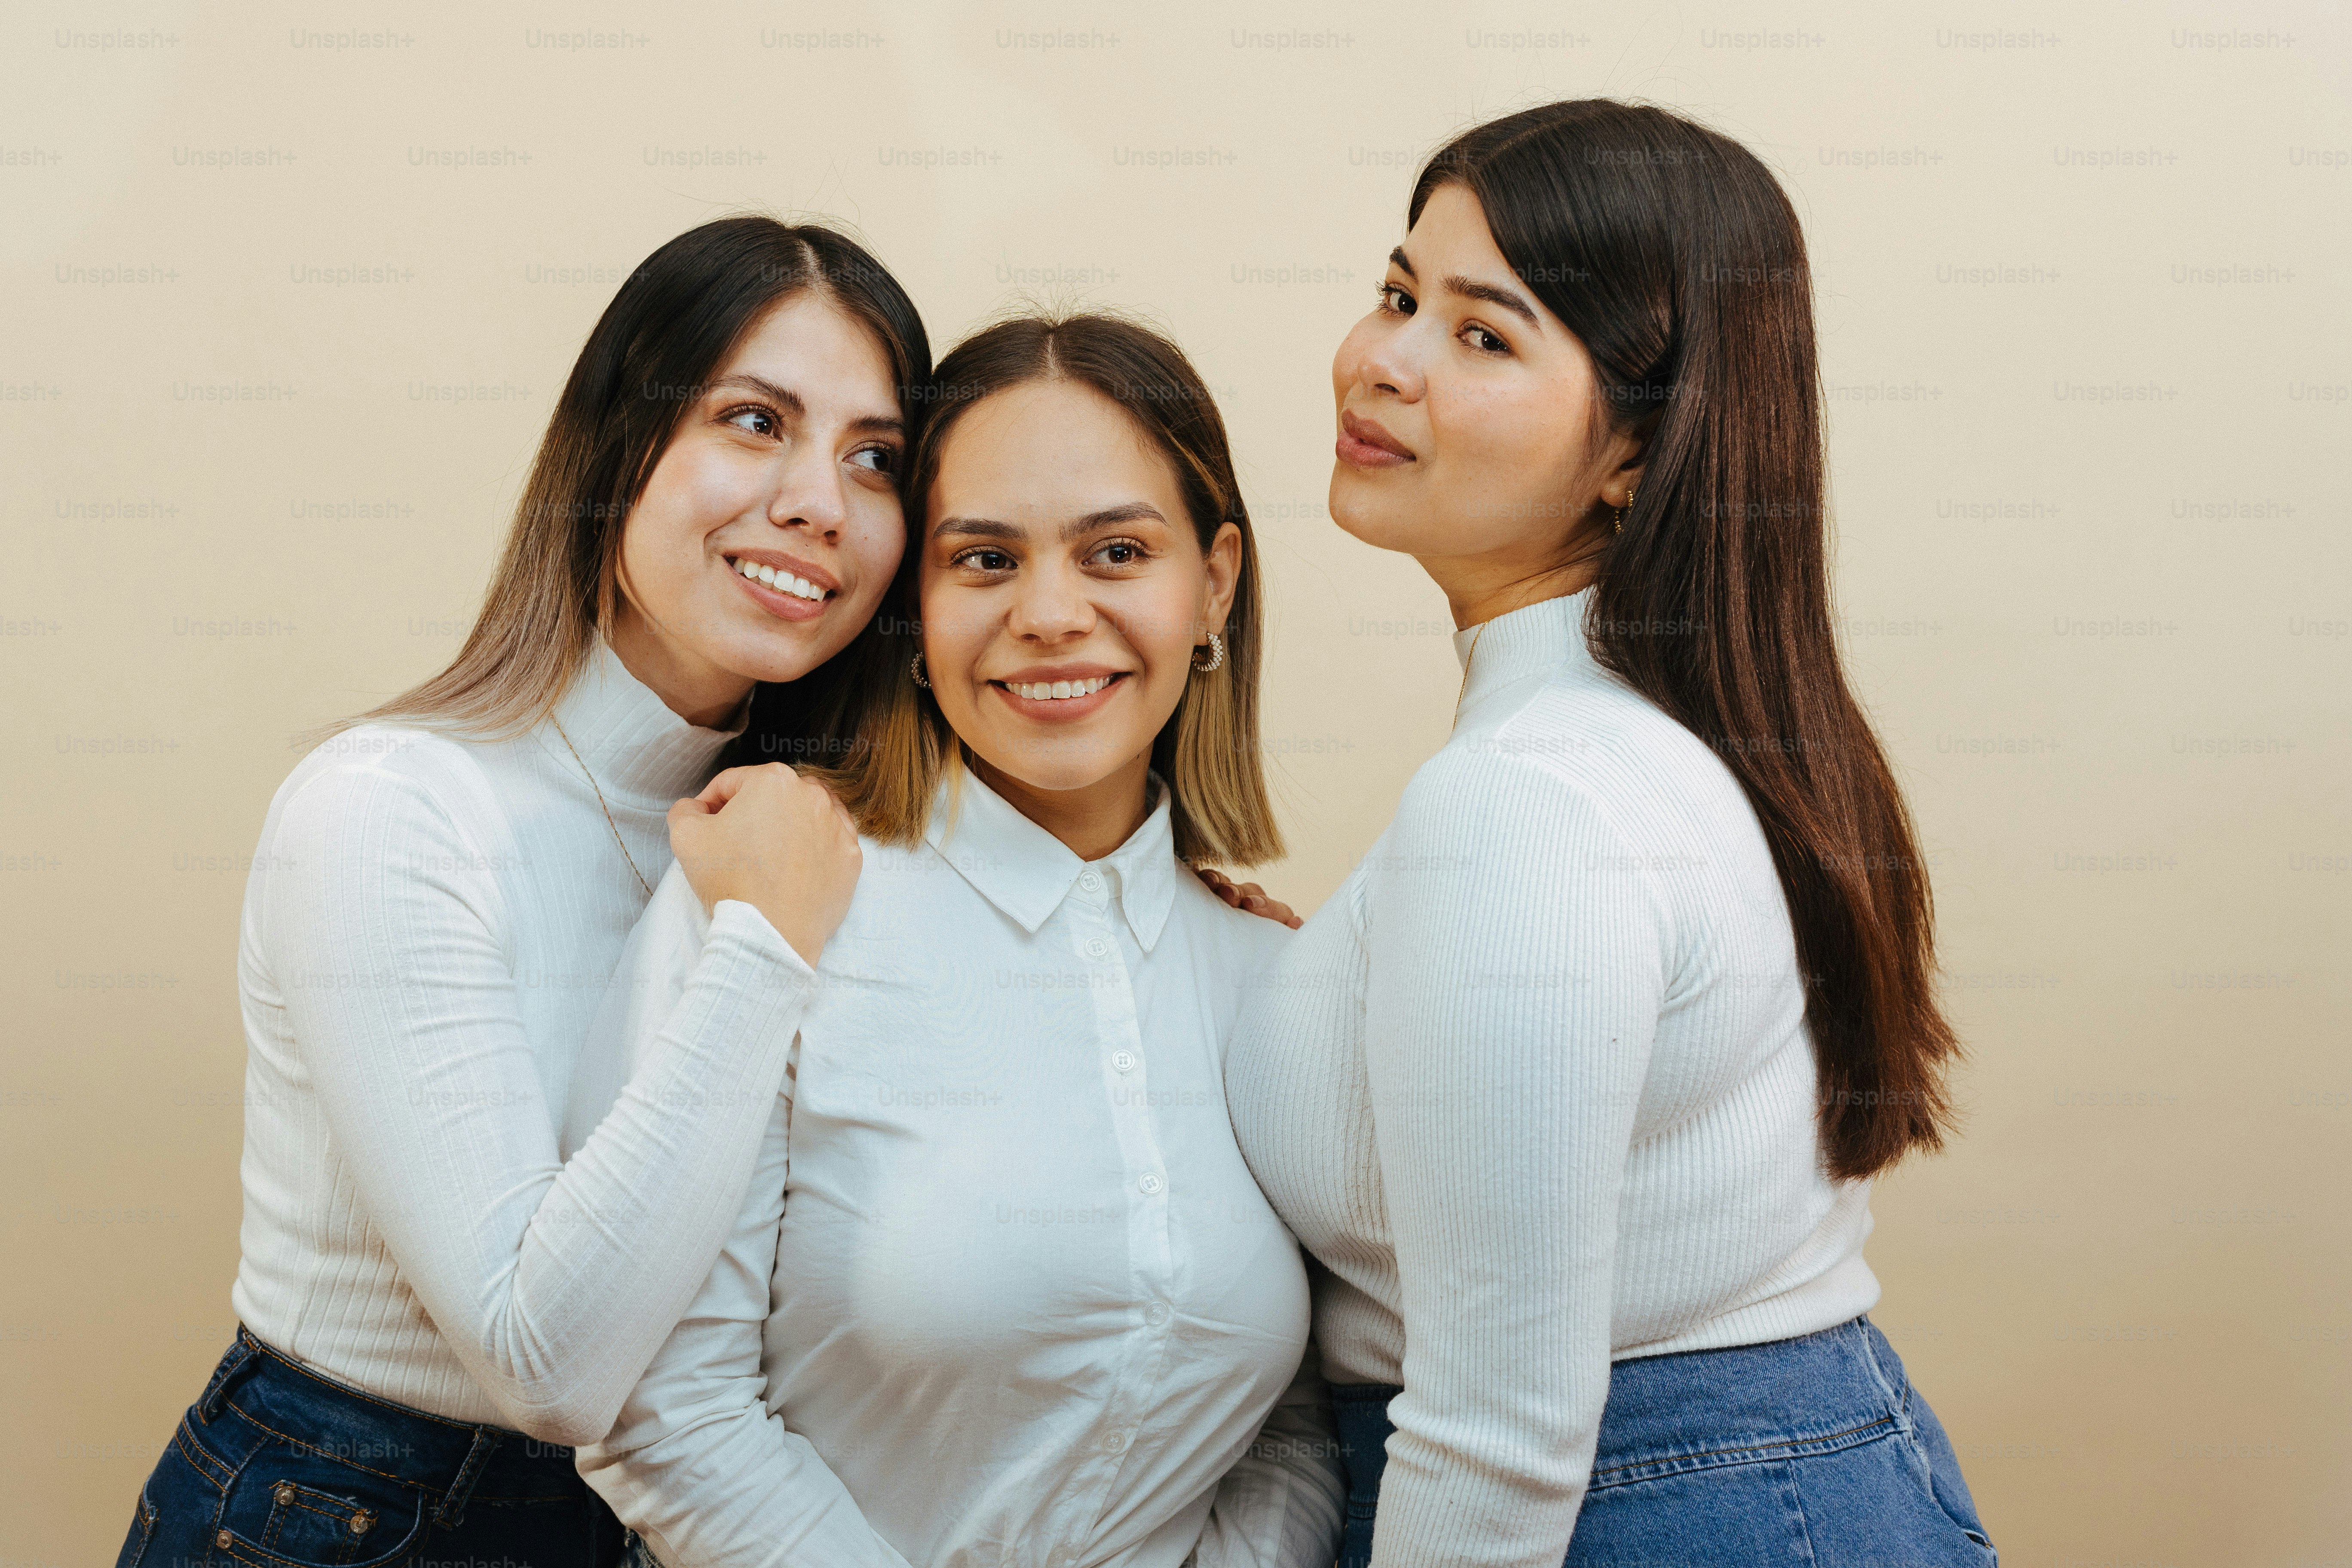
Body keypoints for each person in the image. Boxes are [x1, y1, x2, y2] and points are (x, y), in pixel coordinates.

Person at [1225, 101, 1998, 1567]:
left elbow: (1499, 1434)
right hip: (1771, 1481)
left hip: (1650, 1510)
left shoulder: (1529, 802)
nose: (1381, 359)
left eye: (1485, 335)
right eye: (1401, 295)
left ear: (1640, 457)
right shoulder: (1658, 743)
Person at [115, 217, 929, 1567]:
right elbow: (545, 1366)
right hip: (347, 1512)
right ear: (618, 453)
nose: (817, 502)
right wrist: (761, 943)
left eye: (875, 459)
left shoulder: (814, 828)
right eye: (751, 420)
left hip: (652, 1525)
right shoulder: (390, 809)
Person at [567, 313, 1344, 1568]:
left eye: (1116, 552)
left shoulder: (1281, 981)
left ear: (1216, 584)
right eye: (983, 560)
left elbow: (1293, 1432)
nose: (1049, 614)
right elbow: (661, 1412)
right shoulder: (773, 900)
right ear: (913, 611)